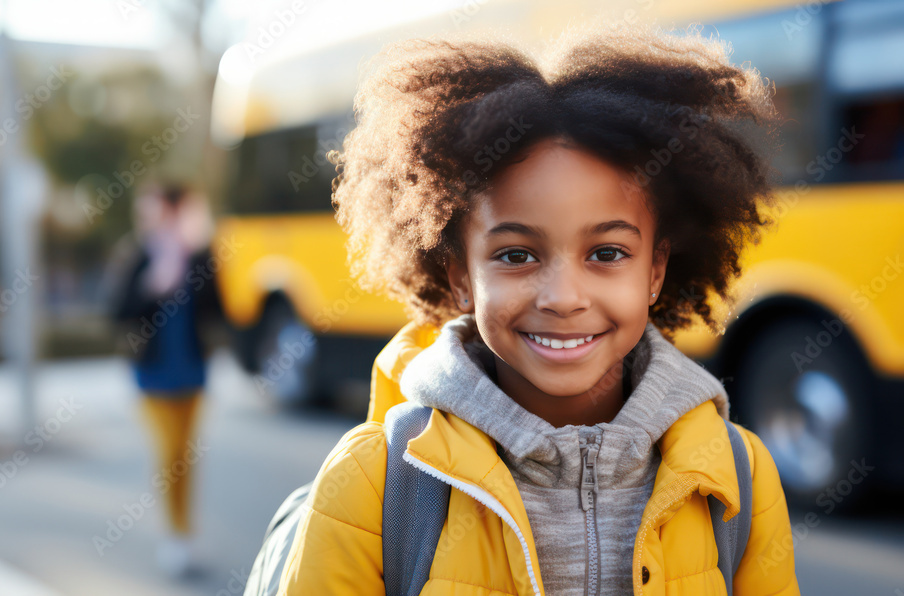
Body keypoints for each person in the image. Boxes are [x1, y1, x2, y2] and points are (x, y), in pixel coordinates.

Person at [277, 20, 800, 596]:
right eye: (517, 254)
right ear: (460, 278)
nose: (563, 297)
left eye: (606, 253)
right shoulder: (375, 485)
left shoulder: (738, 479)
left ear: (655, 270)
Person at [106, 182, 223, 578]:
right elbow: (116, 313)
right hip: (151, 375)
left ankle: (183, 535)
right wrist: (151, 285)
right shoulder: (136, 254)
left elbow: (218, 310)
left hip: (191, 373)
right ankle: (175, 536)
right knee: (169, 453)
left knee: (185, 457)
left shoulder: (198, 255)